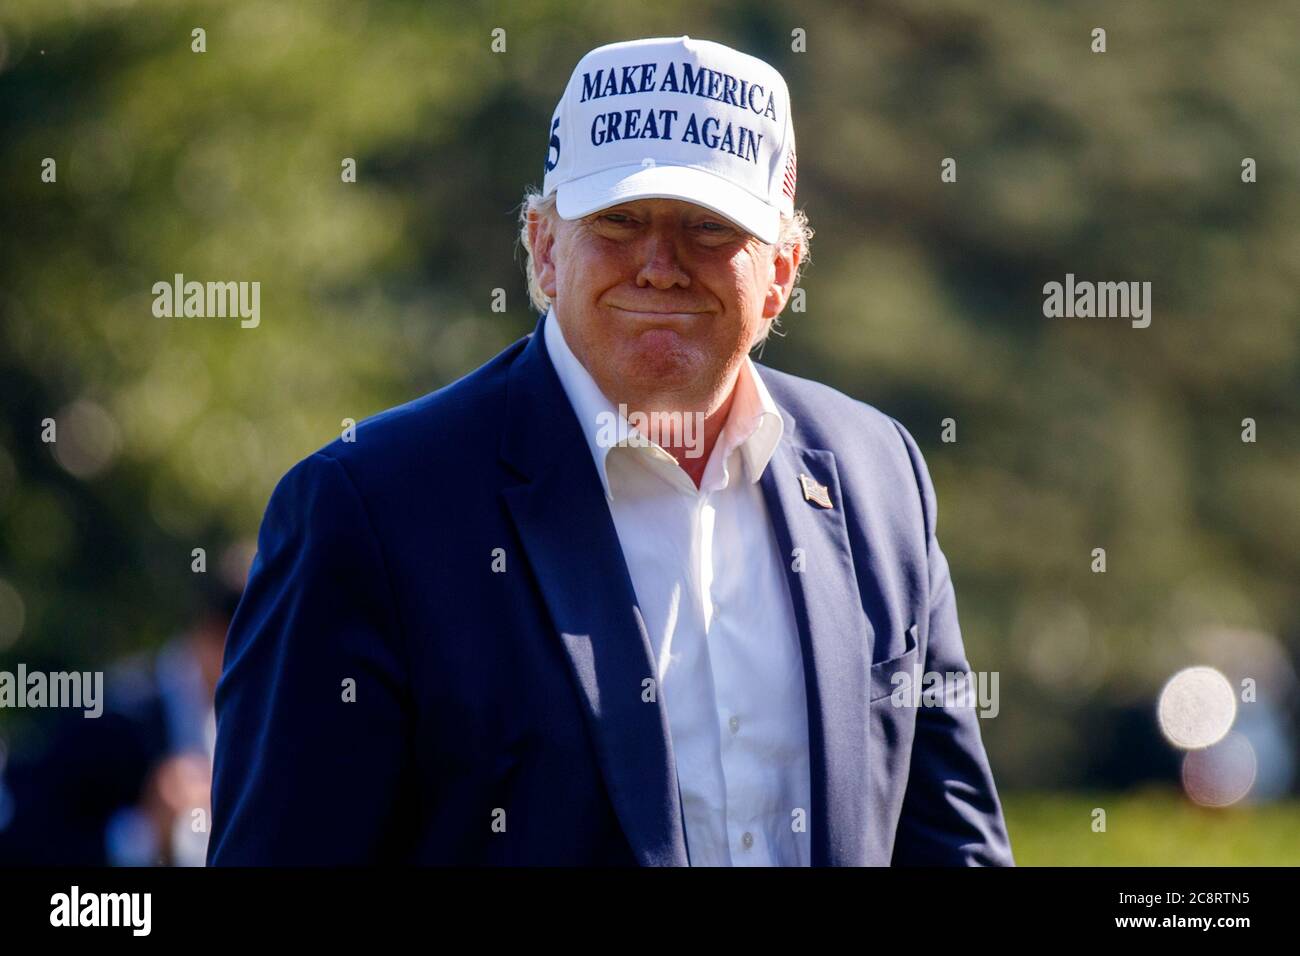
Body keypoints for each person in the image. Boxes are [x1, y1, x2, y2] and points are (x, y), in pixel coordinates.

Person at [208, 35, 1013, 866]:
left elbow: (952, 846)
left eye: (709, 228)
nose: (660, 266)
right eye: (619, 221)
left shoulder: (878, 473)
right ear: (545, 247)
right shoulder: (370, 506)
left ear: (781, 270)